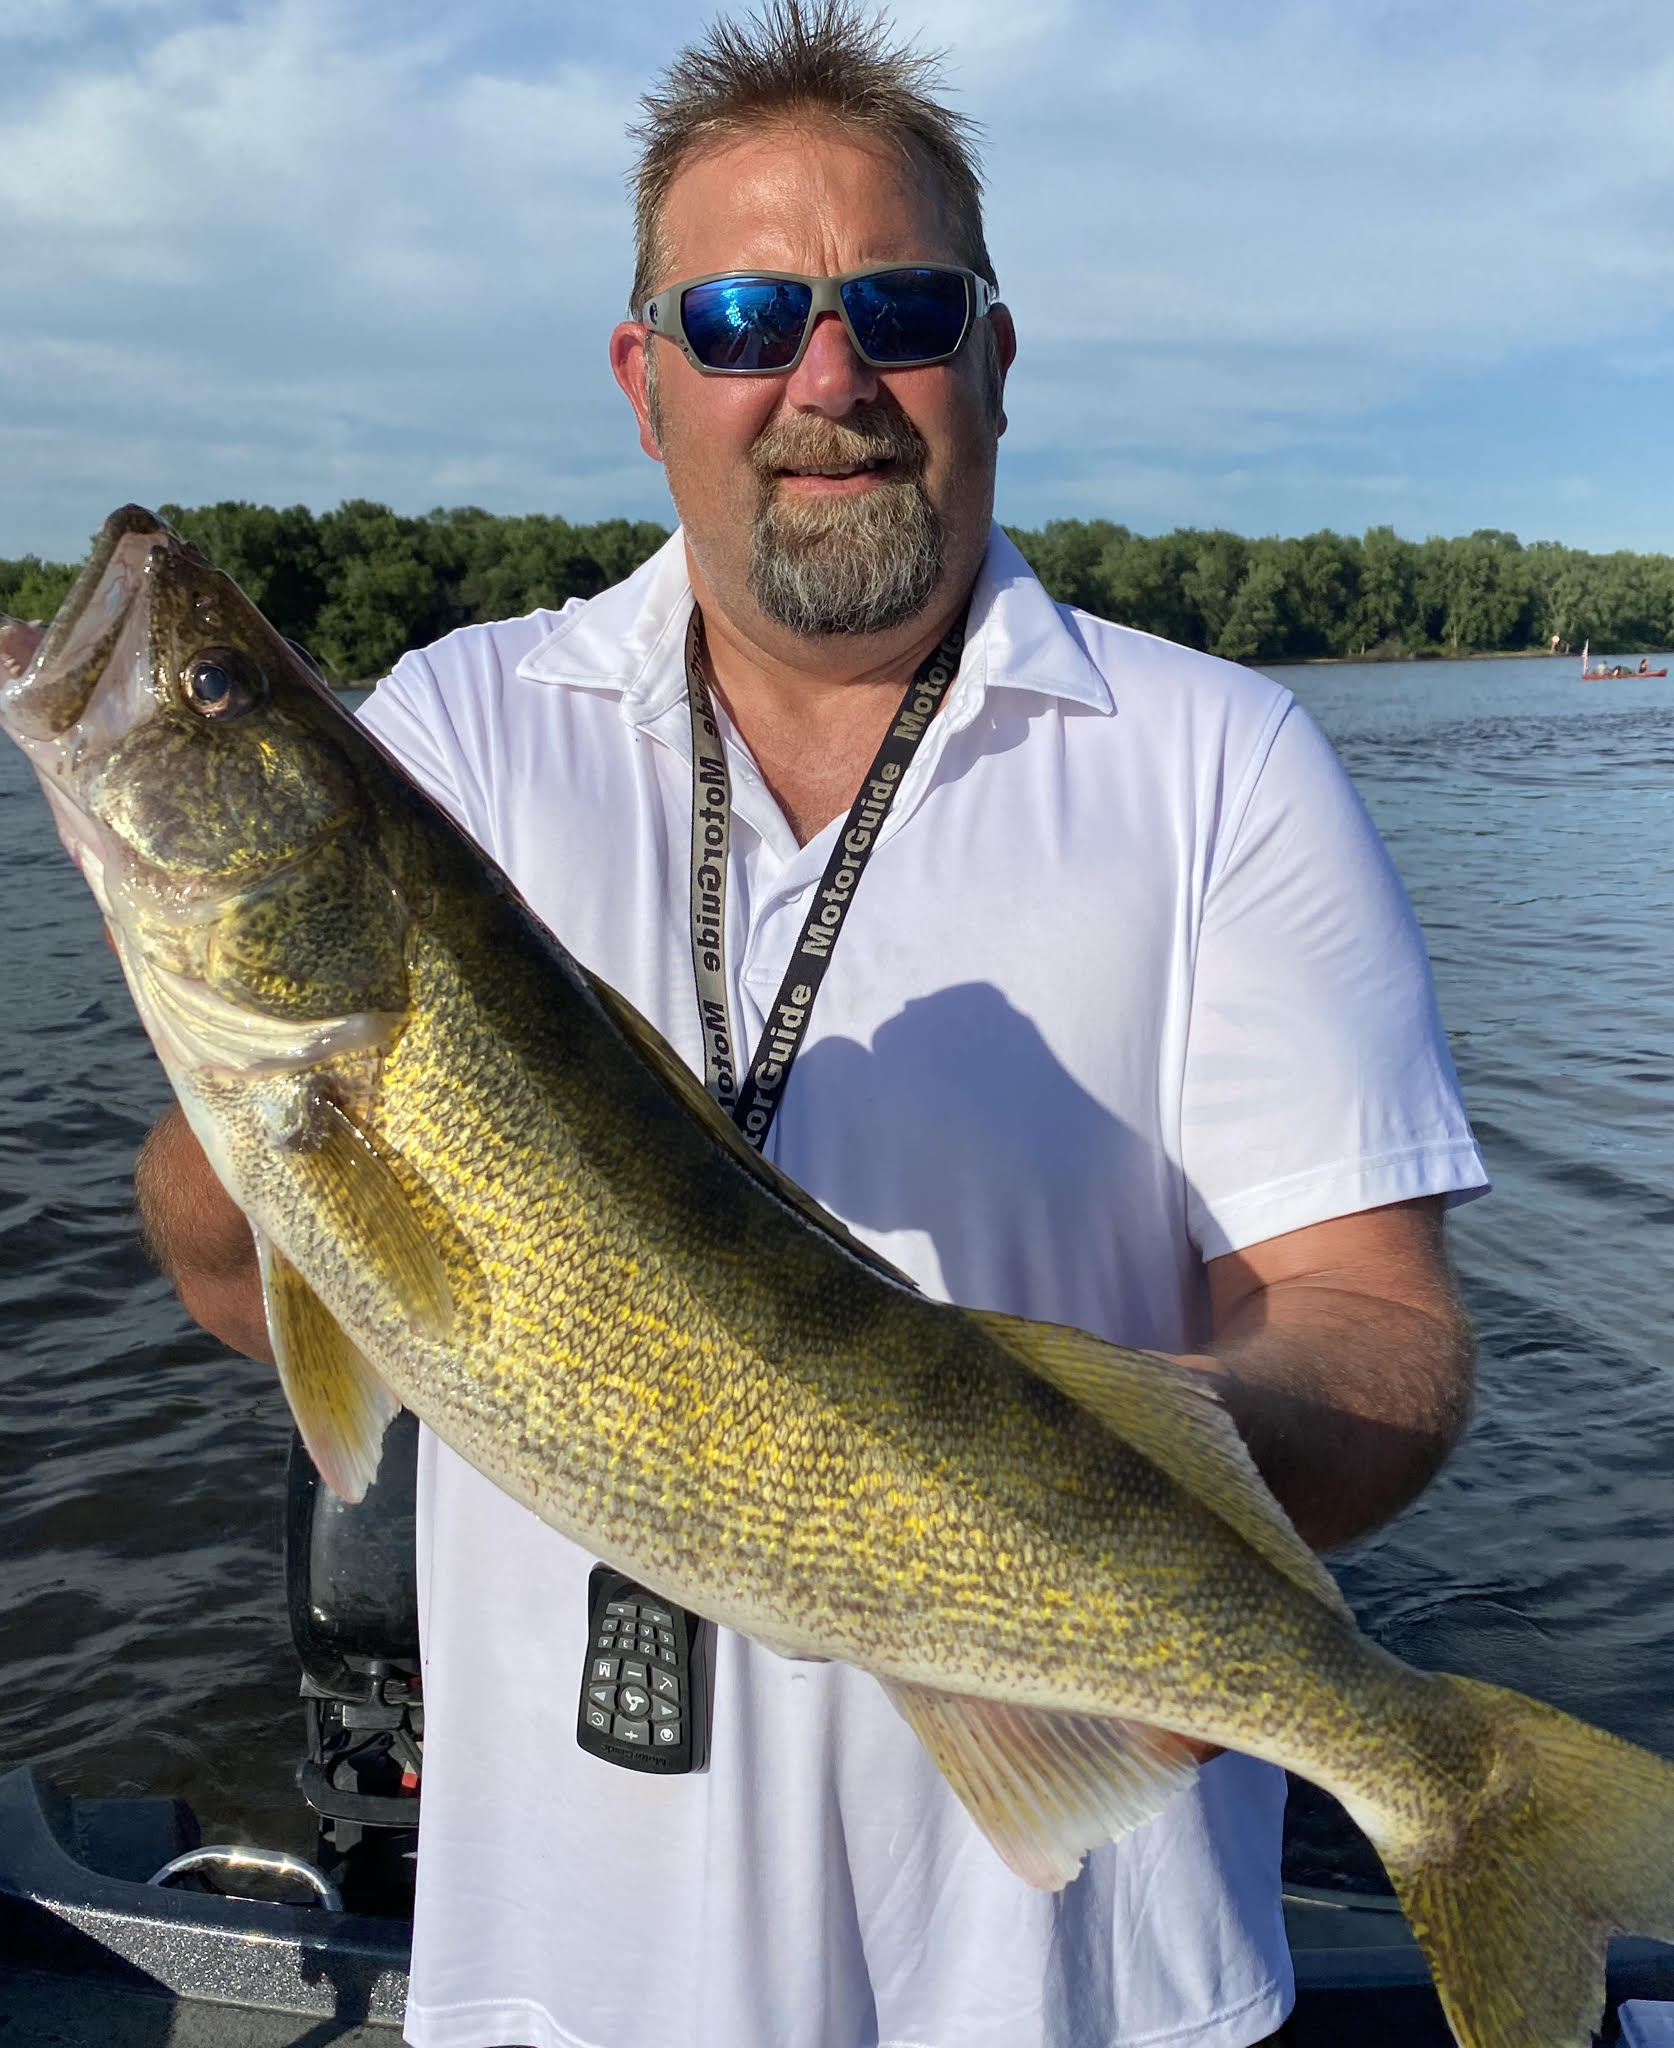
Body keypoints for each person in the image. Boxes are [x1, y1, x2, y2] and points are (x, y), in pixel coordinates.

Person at [129, 5, 1486, 2045]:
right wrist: (256, 1130)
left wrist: (1102, 1509)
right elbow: (260, 1294)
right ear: (645, 376)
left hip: (1084, 1991)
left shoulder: (1223, 762)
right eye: (746, 314)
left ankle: (1480, 1807)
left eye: (902, 310)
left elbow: (1384, 1329)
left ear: (999, 359)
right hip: (565, 1986)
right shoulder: (456, 739)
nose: (826, 382)